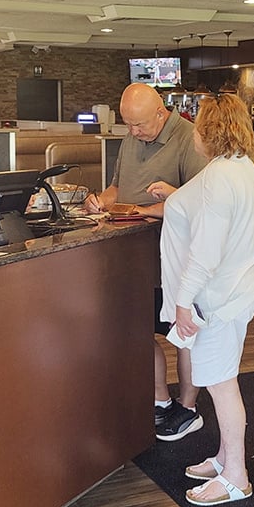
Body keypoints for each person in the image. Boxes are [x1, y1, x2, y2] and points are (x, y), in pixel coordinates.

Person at [150, 94, 254, 506]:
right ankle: (223, 457)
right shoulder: (237, 167)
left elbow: (206, 252)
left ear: (209, 132)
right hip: (234, 289)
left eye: (198, 125)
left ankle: (236, 476)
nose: (193, 131)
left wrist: (182, 301)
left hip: (219, 298)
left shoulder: (221, 177)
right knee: (222, 379)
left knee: (221, 384)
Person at [84, 83, 207, 440]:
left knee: (182, 333)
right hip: (132, 251)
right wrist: (101, 201)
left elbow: (195, 201)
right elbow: (117, 188)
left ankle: (187, 408)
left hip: (174, 253)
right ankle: (159, 399)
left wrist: (144, 210)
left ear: (160, 112)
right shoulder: (132, 137)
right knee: (139, 328)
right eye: (128, 125)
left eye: (139, 125)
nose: (134, 132)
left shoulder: (187, 138)